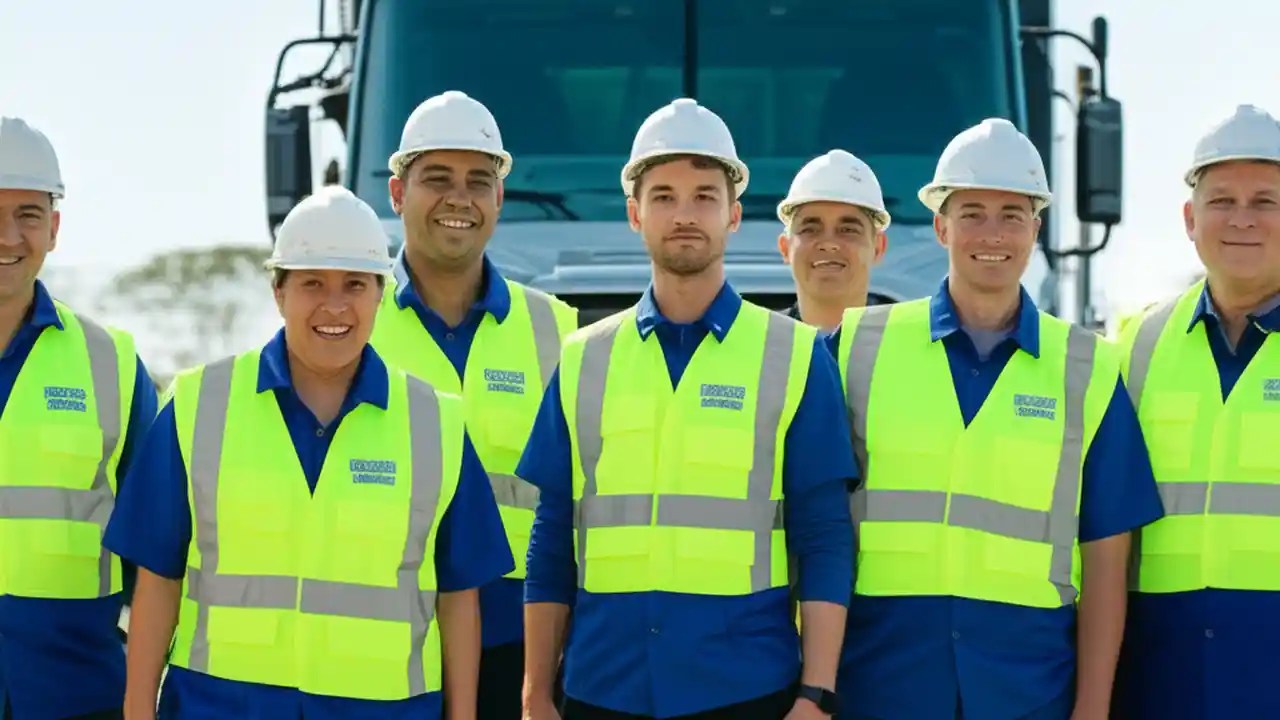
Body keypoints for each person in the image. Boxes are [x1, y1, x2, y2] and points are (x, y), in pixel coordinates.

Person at [102, 186, 514, 719]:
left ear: (380, 296)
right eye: (312, 283)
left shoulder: (435, 422)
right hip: (220, 706)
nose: (334, 305)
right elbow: (159, 578)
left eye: (355, 285)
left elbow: (459, 598)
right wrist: (137, 711)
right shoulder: (197, 406)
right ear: (279, 292)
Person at [519, 98, 856, 720]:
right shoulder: (582, 358)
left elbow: (825, 535)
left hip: (746, 690)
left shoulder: (796, 356)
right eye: (665, 196)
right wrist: (536, 691)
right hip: (602, 688)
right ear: (634, 214)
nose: (684, 215)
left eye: (704, 196)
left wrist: (817, 693)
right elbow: (550, 539)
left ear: (733, 215)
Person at [828, 118, 1164, 720]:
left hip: (1028, 687)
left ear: (1036, 229)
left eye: (1012, 214)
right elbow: (811, 528)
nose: (993, 233)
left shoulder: (1086, 367)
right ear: (940, 226)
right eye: (972, 212)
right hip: (879, 682)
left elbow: (1108, 558)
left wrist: (1092, 709)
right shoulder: (857, 347)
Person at [368, 90, 578, 720]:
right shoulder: (353, 324)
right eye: (437, 180)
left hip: (520, 650)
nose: (459, 199)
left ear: (498, 199)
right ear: (398, 193)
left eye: (478, 182)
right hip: (384, 639)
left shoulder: (559, 333)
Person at [1110, 104, 1280, 719]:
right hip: (1159, 665)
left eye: (1265, 201)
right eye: (1221, 201)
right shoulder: (1135, 344)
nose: (1242, 221)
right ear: (1189, 218)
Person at [0, 116, 158, 720]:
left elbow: (156, 551)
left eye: (29, 215)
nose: (10, 235)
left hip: (77, 695)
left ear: (55, 228)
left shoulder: (109, 365)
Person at [776, 150, 890, 331]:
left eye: (848, 230)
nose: (829, 243)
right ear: (785, 247)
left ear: (878, 247)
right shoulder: (751, 348)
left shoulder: (914, 351)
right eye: (810, 229)